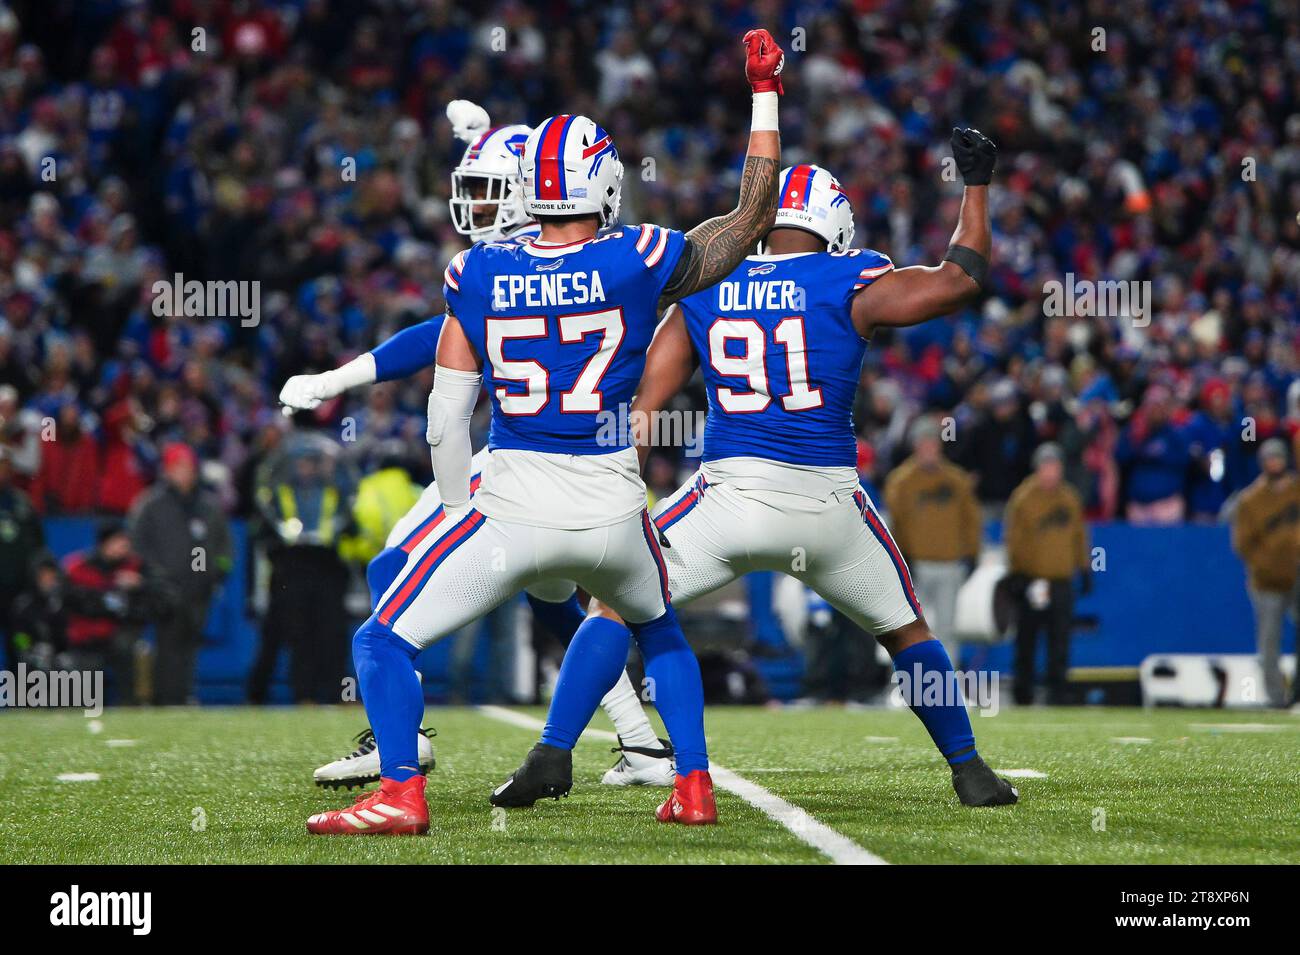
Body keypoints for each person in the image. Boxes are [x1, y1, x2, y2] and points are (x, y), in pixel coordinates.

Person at [306, 28, 786, 835]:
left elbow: (445, 415)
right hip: (615, 509)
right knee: (660, 629)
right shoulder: (639, 256)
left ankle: (400, 791)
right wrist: (764, 92)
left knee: (381, 638)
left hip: (516, 508)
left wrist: (459, 506)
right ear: (604, 186)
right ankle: (692, 784)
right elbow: (753, 214)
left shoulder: (479, 271)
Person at [501, 131, 1018, 810]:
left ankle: (552, 750)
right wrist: (976, 183)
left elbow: (645, 403)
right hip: (826, 502)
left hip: (726, 498)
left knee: (613, 605)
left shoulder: (712, 282)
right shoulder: (850, 277)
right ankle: (969, 768)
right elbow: (961, 279)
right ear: (834, 227)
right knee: (907, 632)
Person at [281, 101, 673, 790]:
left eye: (489, 188)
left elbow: (436, 345)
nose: (472, 205)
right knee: (558, 600)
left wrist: (338, 378)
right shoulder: (554, 239)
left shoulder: (514, 256)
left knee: (395, 571)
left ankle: (400, 741)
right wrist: (480, 137)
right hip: (571, 464)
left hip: (523, 461)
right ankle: (642, 741)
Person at [249, 429, 356, 705]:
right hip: (291, 568)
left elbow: (351, 527)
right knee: (297, 634)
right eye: (302, 463)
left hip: (326, 566)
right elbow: (262, 530)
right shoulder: (281, 494)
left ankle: (336, 694)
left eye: (311, 462)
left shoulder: (332, 493)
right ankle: (302, 694)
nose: (306, 468)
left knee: (332, 634)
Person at [128, 442, 232, 705]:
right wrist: (155, 577)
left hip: (199, 588)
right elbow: (138, 544)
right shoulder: (151, 504)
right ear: (167, 470)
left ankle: (184, 695)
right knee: (167, 645)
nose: (184, 473)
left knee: (191, 645)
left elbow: (225, 546)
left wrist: (216, 573)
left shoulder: (208, 506)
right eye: (178, 467)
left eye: (188, 467)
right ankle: (164, 698)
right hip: (165, 589)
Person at [884, 416, 982, 661]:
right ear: (916, 446)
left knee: (948, 627)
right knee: (910, 629)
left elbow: (971, 521)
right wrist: (901, 560)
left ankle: (948, 684)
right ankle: (910, 682)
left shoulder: (956, 479)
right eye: (924, 443)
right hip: (916, 565)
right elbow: (894, 524)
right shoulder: (901, 481)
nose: (929, 448)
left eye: (933, 443)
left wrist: (972, 554)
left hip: (950, 564)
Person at [1004, 443, 1091, 705]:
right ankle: (1023, 690)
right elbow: (1014, 538)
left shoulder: (1069, 497)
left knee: (1060, 636)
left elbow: (1079, 535)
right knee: (1028, 636)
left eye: (1055, 467)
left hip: (1061, 579)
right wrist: (1017, 571)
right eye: (1046, 467)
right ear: (1038, 468)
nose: (1051, 472)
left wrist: (1084, 567)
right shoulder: (1024, 497)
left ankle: (1058, 690)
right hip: (1035, 580)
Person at [1230, 439, 1299, 707]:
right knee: (1269, 641)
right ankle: (1276, 698)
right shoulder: (1250, 500)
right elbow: (1242, 544)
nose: (1275, 463)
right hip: (1266, 581)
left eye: (1278, 458)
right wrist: (1268, 564)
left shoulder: (1296, 490)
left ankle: (1297, 691)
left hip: (1297, 574)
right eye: (1270, 459)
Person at [0, 448, 43, 668]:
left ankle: (23, 695)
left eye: (5, 465)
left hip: (18, 592)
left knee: (20, 643)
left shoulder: (21, 503)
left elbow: (38, 546)